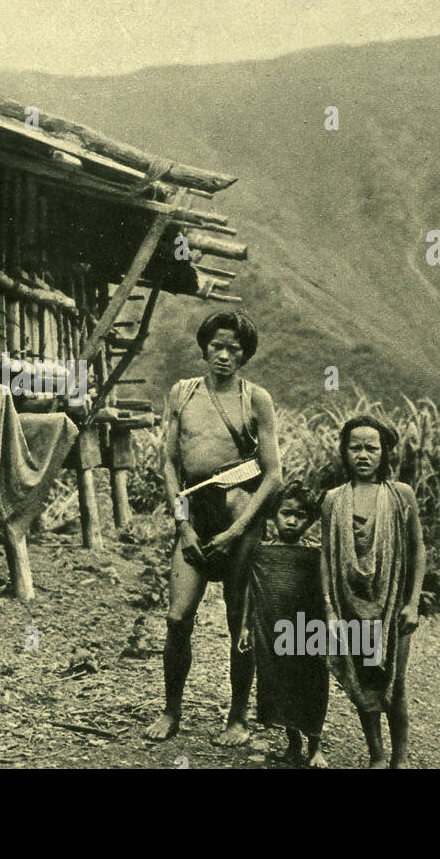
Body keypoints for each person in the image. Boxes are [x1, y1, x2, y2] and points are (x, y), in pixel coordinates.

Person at [143, 310, 282, 745]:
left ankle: (238, 718)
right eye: (217, 346)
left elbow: (273, 474)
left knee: (239, 623)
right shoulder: (182, 394)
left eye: (233, 349)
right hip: (194, 519)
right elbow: (168, 462)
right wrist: (183, 528)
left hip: (240, 520)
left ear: (245, 355)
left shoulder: (254, 398)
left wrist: (237, 531)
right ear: (204, 347)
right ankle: (171, 711)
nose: (223, 356)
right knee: (177, 617)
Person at [318, 416, 426, 768]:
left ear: (385, 453)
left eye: (371, 448)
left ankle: (400, 758)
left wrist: (413, 603)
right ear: (344, 452)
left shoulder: (400, 495)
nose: (362, 455)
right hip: (350, 602)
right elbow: (326, 557)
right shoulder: (334, 500)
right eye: (355, 448)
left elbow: (417, 549)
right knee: (363, 678)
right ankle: (376, 755)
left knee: (394, 681)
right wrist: (332, 610)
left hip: (393, 605)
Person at [240, 480, 328, 767]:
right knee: (280, 682)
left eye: (299, 515)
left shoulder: (316, 555)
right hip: (273, 632)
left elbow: (326, 594)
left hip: (308, 631)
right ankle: (293, 743)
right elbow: (250, 592)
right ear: (272, 515)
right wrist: (245, 626)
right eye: (285, 513)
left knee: (312, 683)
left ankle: (315, 747)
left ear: (309, 520)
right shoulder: (262, 552)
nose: (291, 520)